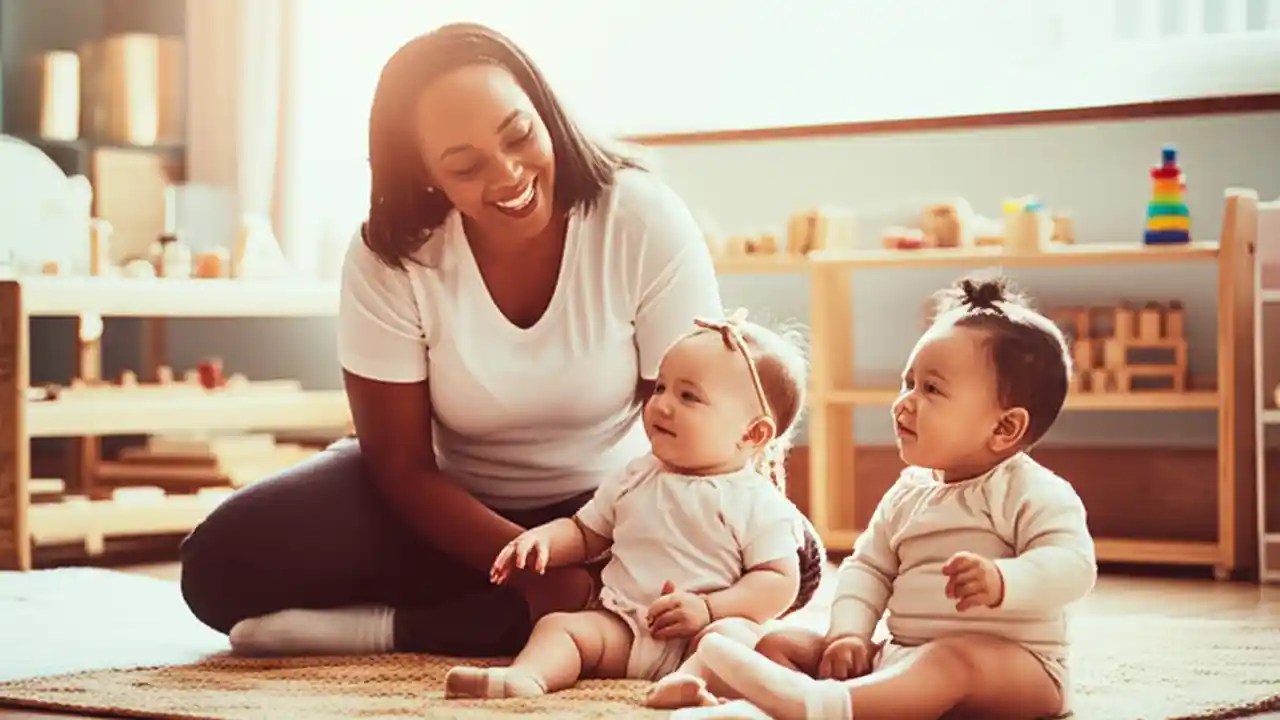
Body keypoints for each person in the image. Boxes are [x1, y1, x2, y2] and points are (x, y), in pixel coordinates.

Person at [177, 21, 726, 659]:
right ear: (427, 174)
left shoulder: (639, 217)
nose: (509, 174)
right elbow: (400, 467)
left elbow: (699, 416)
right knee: (219, 568)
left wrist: (601, 548)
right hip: (440, 508)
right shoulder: (390, 255)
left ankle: (394, 630)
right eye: (465, 165)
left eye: (519, 135)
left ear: (545, 113)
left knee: (738, 570)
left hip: (604, 513)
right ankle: (542, 612)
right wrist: (528, 572)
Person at [665, 273, 1099, 720]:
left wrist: (1004, 580)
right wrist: (848, 635)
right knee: (783, 643)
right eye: (907, 383)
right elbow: (868, 568)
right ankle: (764, 708)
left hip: (1017, 672)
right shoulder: (910, 491)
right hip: (902, 657)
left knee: (950, 661)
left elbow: (1074, 567)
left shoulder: (1032, 491)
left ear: (1005, 427)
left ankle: (826, 707)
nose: (904, 402)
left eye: (931, 389)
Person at [441, 310, 818, 699]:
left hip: (701, 632)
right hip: (623, 626)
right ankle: (528, 678)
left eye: (688, 396)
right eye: (660, 388)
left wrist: (709, 610)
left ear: (752, 433)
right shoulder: (635, 476)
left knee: (733, 640)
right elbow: (586, 533)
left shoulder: (758, 501)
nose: (662, 405)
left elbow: (778, 582)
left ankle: (687, 685)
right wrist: (543, 541)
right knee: (560, 627)